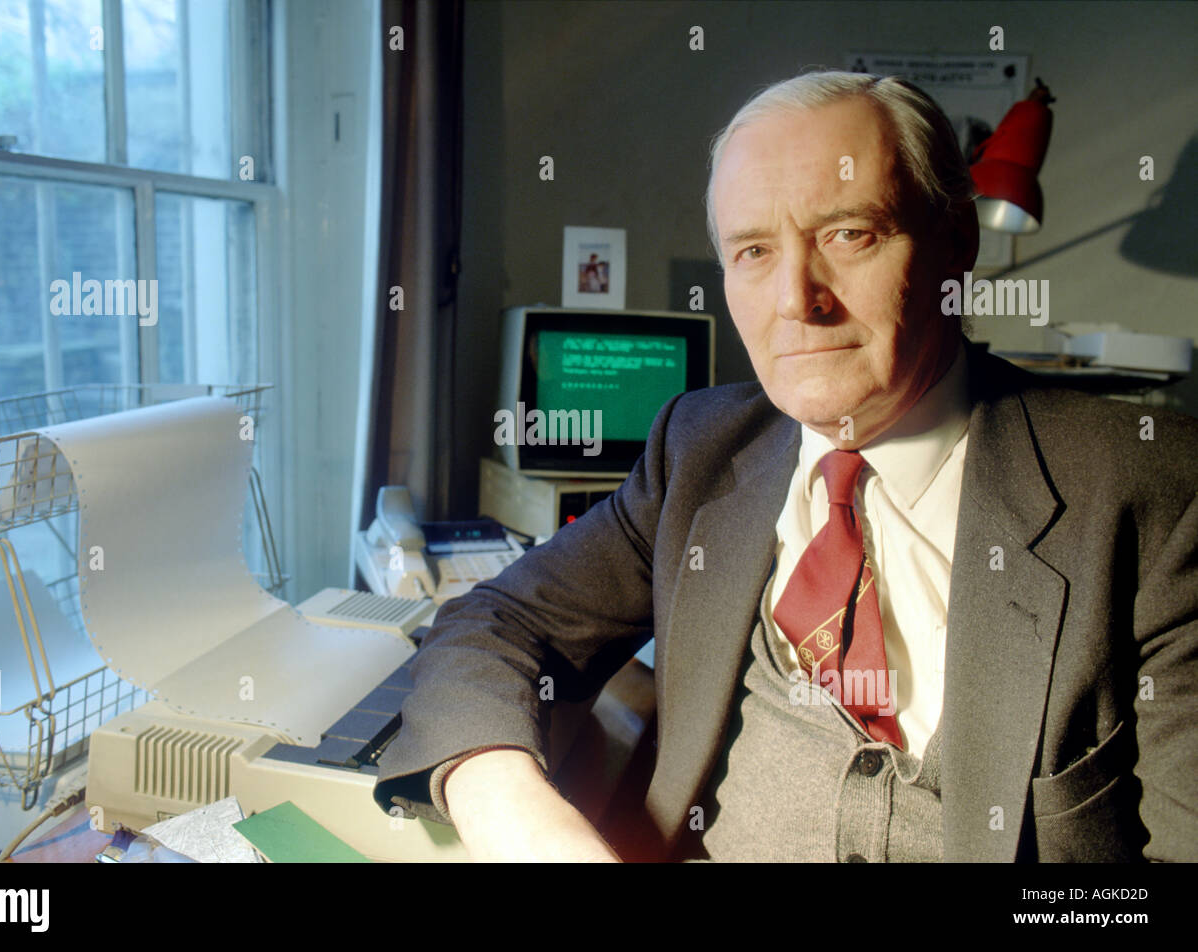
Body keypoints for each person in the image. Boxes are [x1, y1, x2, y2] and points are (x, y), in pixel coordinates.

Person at [372, 71, 1198, 862]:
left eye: (849, 234)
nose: (797, 298)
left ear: (957, 243)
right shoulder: (700, 451)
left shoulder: (1151, 494)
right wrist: (515, 813)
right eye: (754, 251)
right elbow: (495, 624)